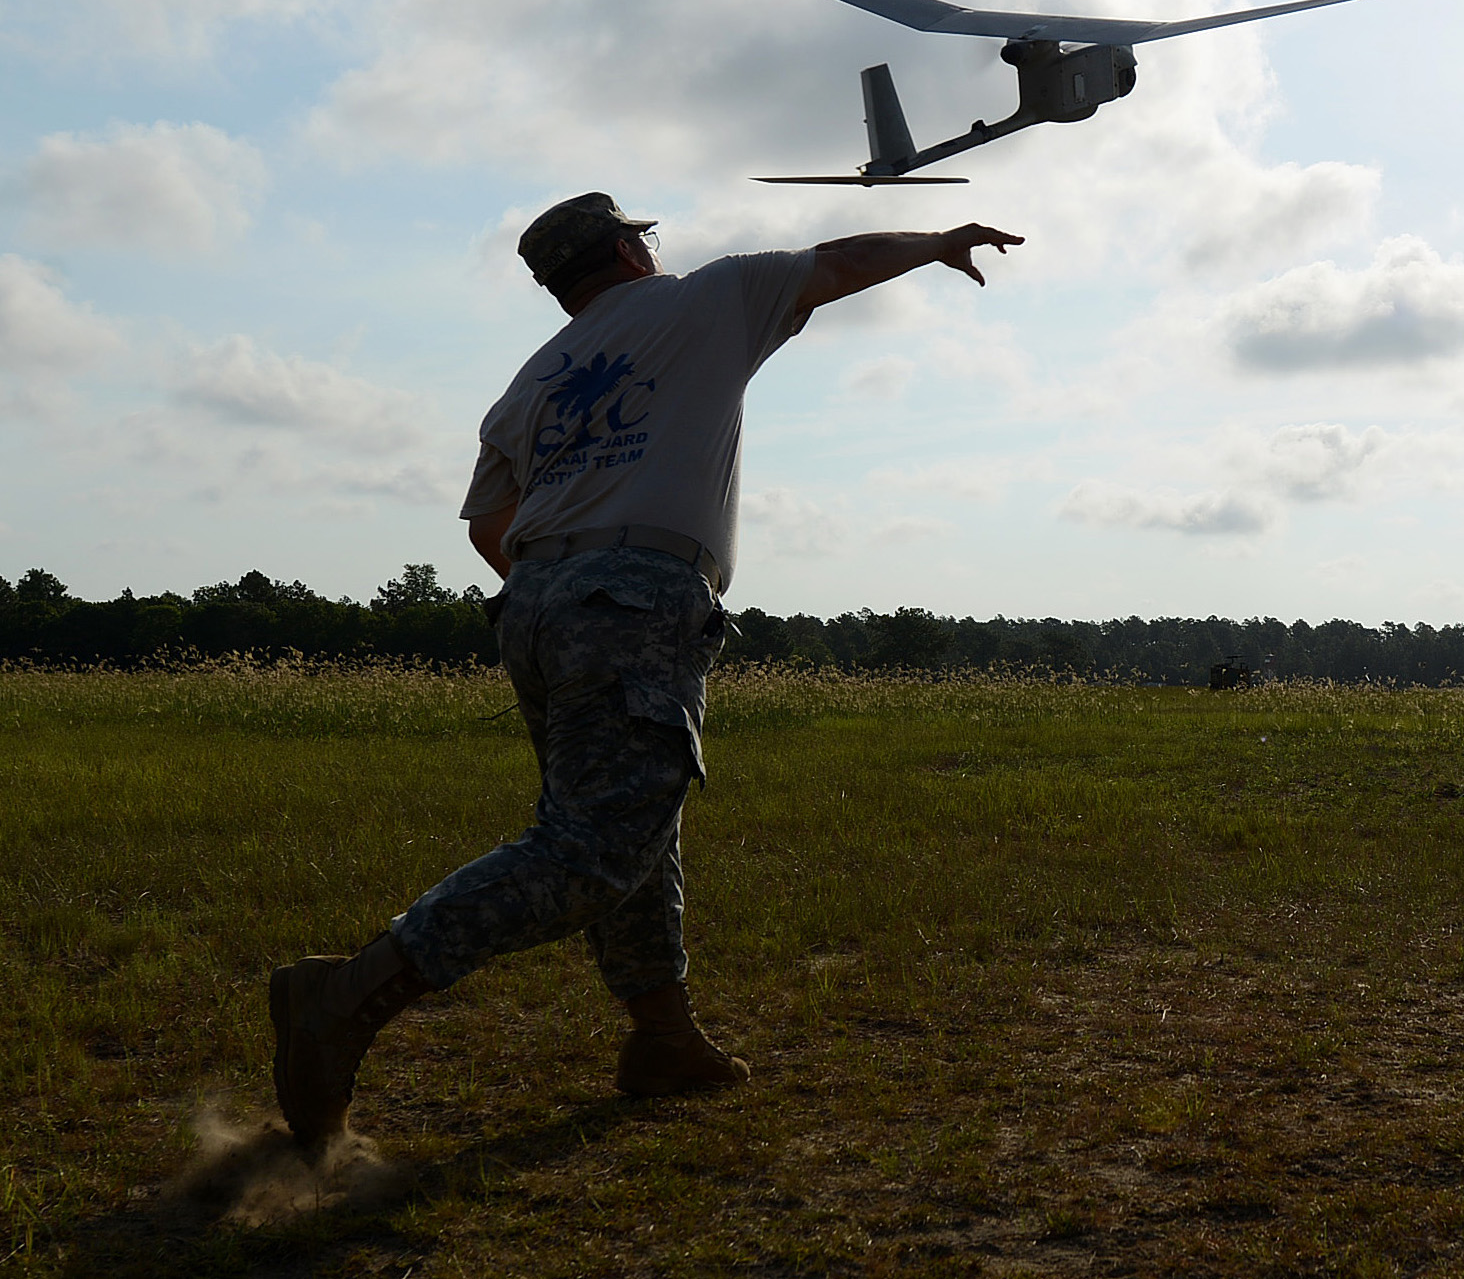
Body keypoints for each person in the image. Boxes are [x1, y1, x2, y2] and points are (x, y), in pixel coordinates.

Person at [269, 192, 1021, 1153]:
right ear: (630, 249)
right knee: (593, 846)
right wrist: (938, 241)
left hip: (537, 602)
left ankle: (665, 1039)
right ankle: (350, 992)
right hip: (636, 593)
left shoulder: (530, 382)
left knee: (635, 828)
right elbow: (835, 262)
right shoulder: (705, 299)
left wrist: (566, 582)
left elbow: (486, 525)